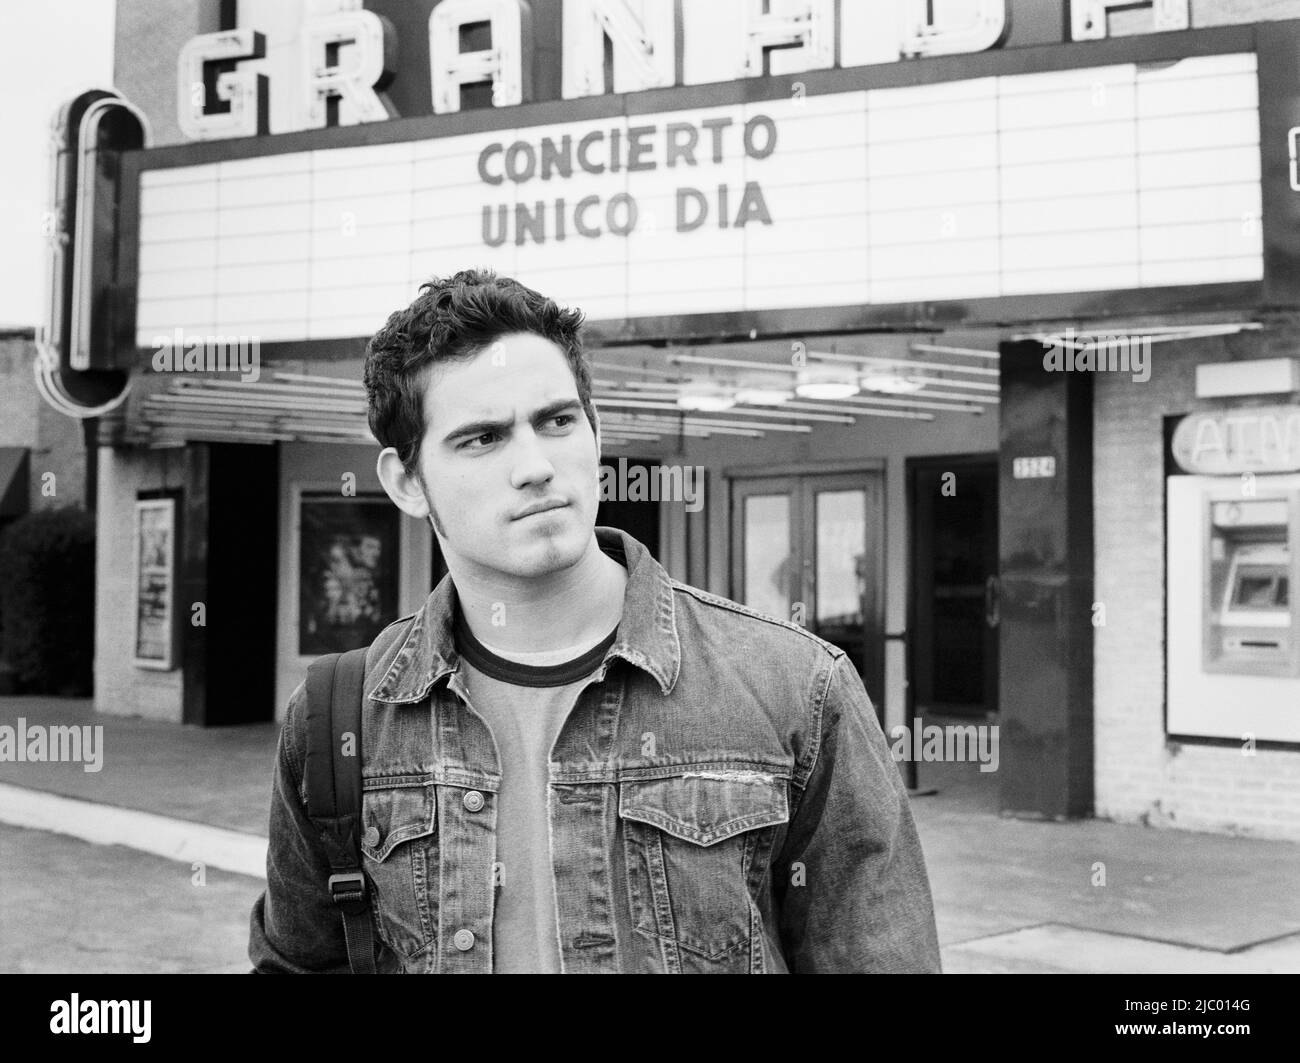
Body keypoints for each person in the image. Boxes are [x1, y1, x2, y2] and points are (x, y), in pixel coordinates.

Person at [248, 268, 942, 974]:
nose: (536, 466)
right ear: (406, 481)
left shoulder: (798, 691)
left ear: (596, 430)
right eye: (483, 438)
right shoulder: (340, 719)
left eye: (556, 420)